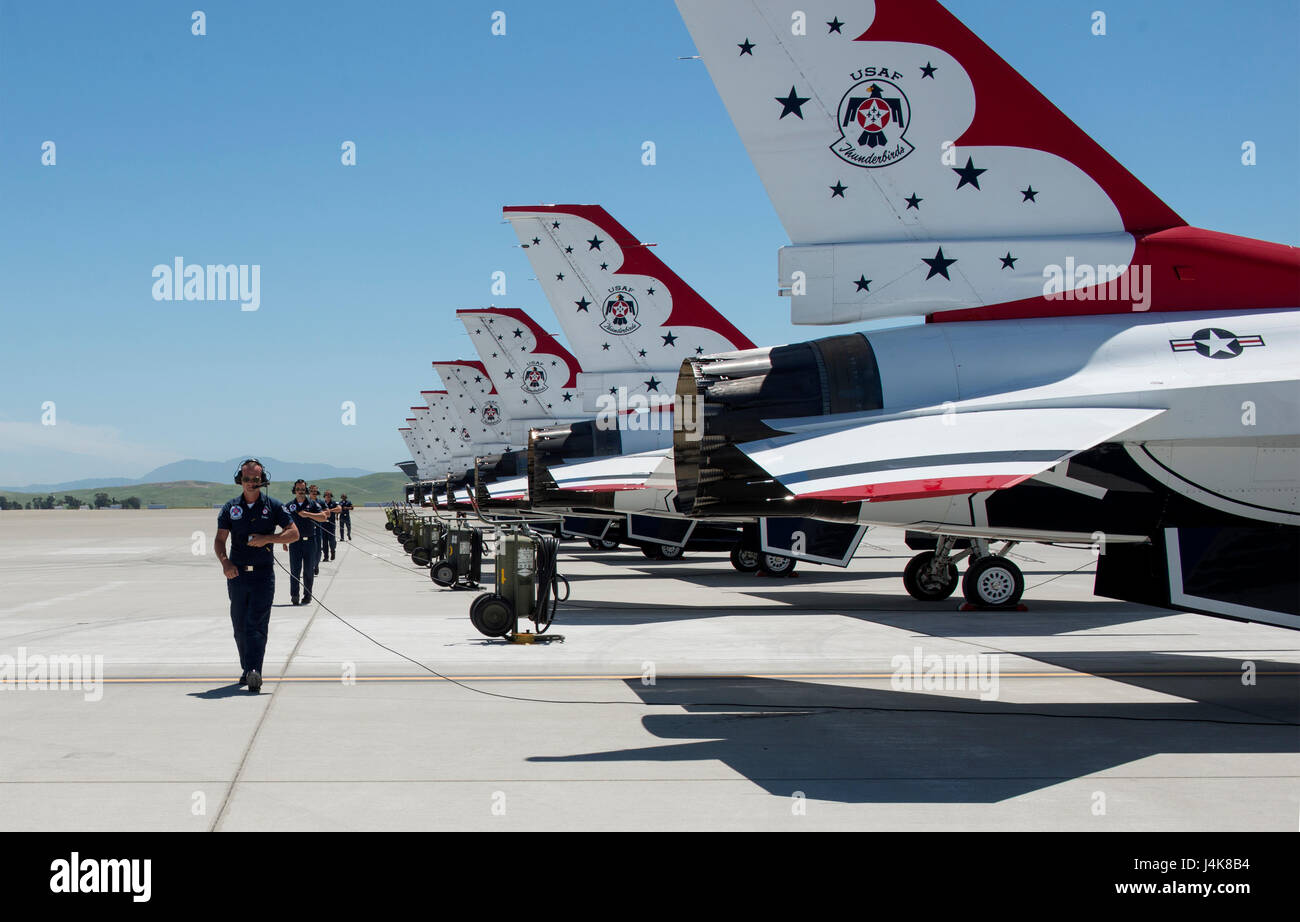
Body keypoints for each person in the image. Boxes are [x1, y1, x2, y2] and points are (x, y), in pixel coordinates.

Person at [214, 459, 298, 694]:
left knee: (257, 624)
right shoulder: (231, 508)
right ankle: (246, 667)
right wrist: (225, 562)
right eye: (247, 478)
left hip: (263, 576)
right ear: (239, 480)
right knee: (239, 625)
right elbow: (220, 540)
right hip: (237, 575)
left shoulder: (273, 506)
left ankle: (254, 670)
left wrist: (268, 538)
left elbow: (293, 533)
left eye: (256, 479)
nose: (251, 483)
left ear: (262, 480)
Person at [285, 479, 329, 605]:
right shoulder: (289, 506)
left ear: (306, 490)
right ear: (295, 490)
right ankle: (294, 595)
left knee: (308, 570)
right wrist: (284, 540)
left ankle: (307, 595)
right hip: (294, 542)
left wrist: (308, 514)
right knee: (295, 570)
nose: (300, 491)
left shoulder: (312, 504)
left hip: (310, 541)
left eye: (303, 489)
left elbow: (324, 517)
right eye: (298, 489)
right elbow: (285, 523)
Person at [320, 490, 340, 561]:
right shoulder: (322, 503)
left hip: (331, 525)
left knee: (332, 540)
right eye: (326, 496)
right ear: (324, 496)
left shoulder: (334, 503)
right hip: (323, 525)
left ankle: (333, 551)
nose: (328, 497)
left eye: (329, 496)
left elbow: (339, 509)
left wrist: (330, 510)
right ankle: (326, 557)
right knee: (324, 542)